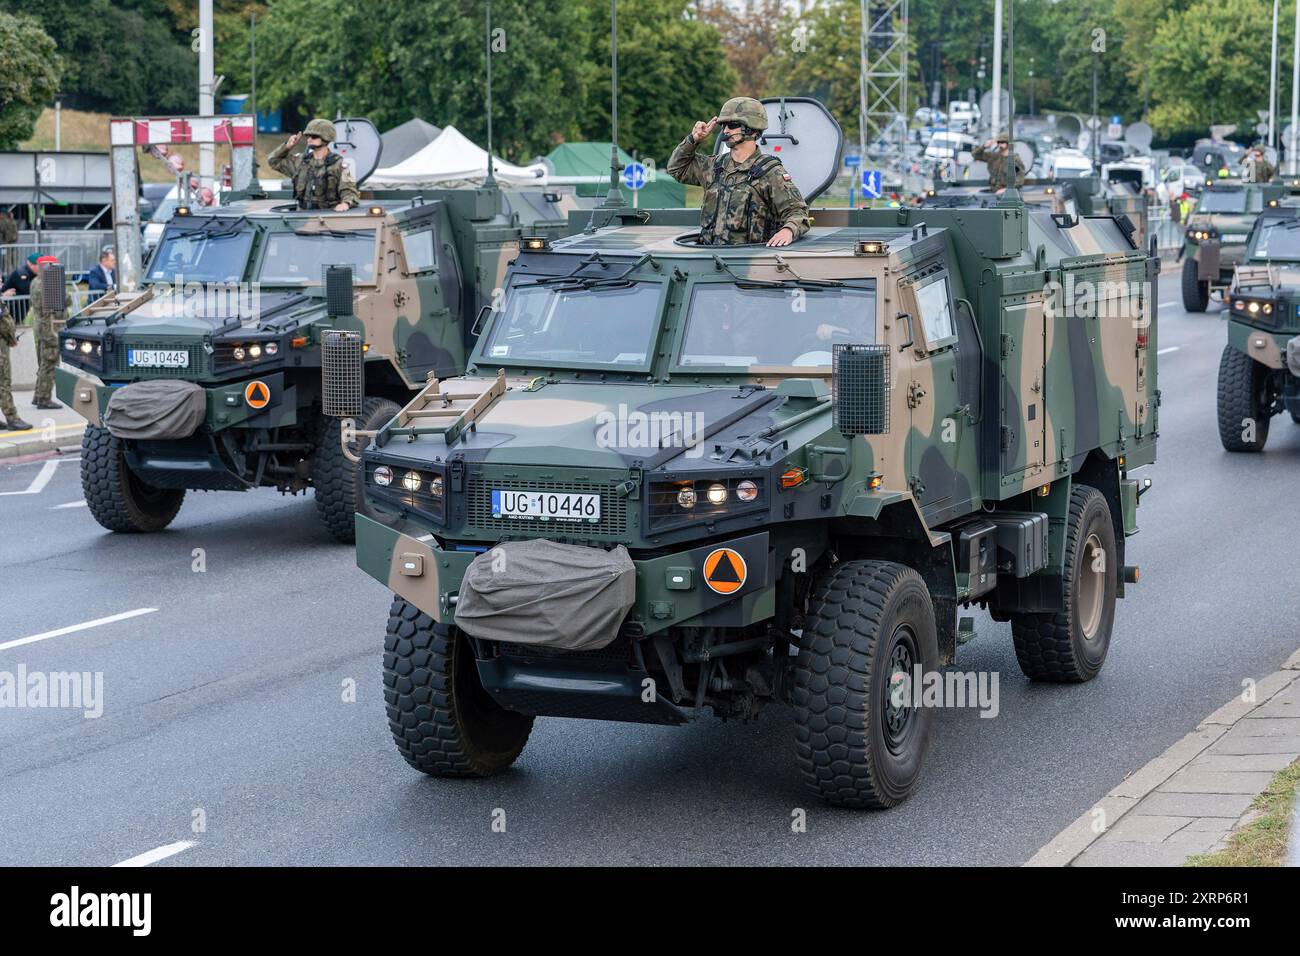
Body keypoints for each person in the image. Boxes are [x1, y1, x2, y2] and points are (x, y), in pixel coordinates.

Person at [667, 96, 811, 247]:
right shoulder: (714, 166)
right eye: (723, 126)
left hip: (746, 258)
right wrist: (693, 140)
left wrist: (787, 230)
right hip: (709, 257)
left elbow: (797, 212)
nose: (725, 131)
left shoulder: (769, 171)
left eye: (732, 125)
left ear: (753, 129)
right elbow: (676, 169)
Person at [267, 118, 359, 211]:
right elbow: (273, 161)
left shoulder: (339, 164)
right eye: (308, 136)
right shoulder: (300, 161)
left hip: (328, 216)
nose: (309, 139)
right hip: (301, 215)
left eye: (314, 136)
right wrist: (287, 147)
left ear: (326, 138)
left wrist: (345, 204)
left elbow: (349, 192)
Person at [27, 255, 76, 411]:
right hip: (51, 328)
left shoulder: (35, 281)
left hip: (41, 326)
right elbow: (66, 301)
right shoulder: (50, 283)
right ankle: (44, 399)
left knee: (43, 364)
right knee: (50, 364)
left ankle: (38, 395)